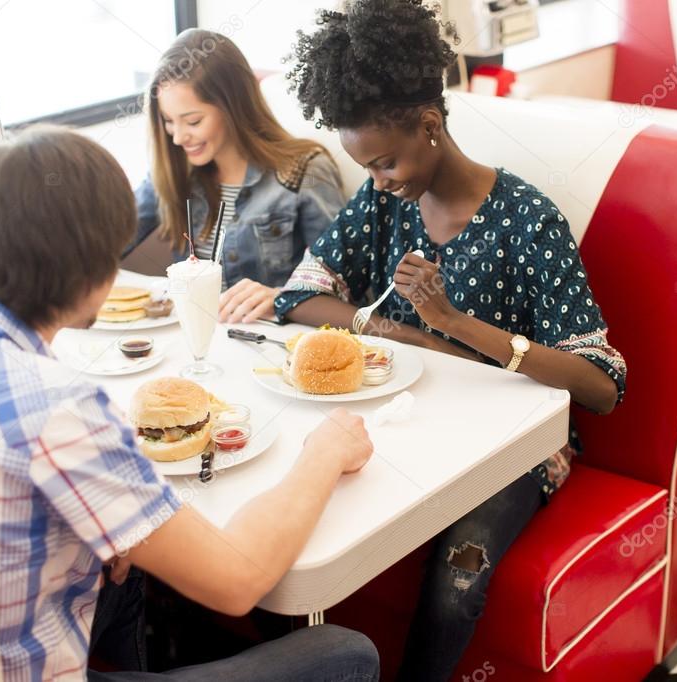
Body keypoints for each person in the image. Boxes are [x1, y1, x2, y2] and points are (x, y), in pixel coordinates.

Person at [0, 126, 379, 682]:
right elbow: (239, 579)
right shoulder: (56, 405)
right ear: (91, 274)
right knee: (346, 654)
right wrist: (323, 452)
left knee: (126, 568)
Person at [280, 1, 628, 679]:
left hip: (514, 445)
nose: (378, 181)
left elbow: (602, 385)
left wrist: (456, 326)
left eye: (384, 162)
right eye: (368, 168)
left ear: (430, 124)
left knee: (456, 577)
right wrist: (390, 328)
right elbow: (298, 294)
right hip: (411, 424)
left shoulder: (526, 220)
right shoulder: (385, 201)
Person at [125, 29, 345, 323]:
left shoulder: (304, 172)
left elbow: (344, 284)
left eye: (193, 121)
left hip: (268, 340)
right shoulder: (173, 168)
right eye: (168, 121)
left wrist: (281, 298)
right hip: (196, 338)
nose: (178, 137)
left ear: (232, 107)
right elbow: (113, 238)